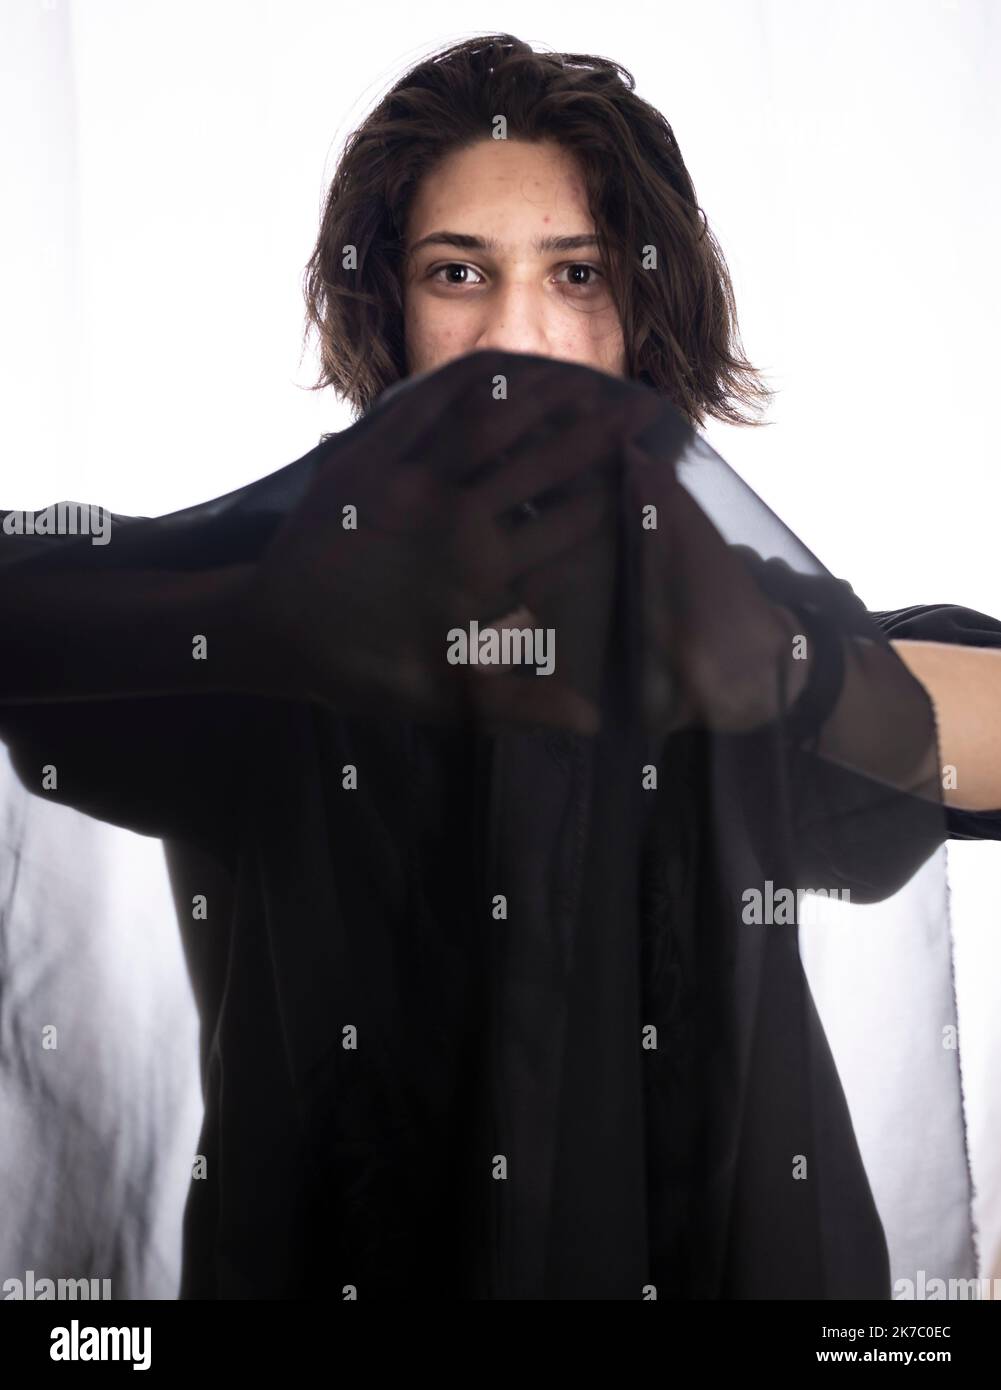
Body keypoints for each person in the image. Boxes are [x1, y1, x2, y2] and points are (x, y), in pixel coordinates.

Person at [2, 33, 1000, 1300]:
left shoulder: (719, 601)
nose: (516, 331)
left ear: (645, 313)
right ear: (389, 308)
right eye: (457, 271)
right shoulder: (276, 580)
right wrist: (267, 615)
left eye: (576, 272)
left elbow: (974, 729)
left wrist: (790, 673)